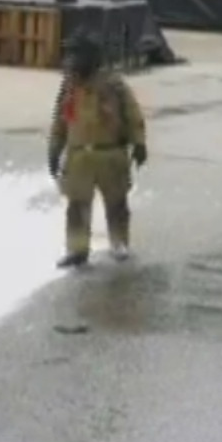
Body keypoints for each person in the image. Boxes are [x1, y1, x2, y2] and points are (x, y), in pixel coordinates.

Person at [47, 32, 148, 269]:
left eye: (76, 54)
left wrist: (139, 143)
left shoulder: (113, 85)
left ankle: (119, 242)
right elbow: (60, 121)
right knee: (77, 206)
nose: (70, 60)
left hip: (110, 153)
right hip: (79, 154)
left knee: (116, 203)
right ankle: (77, 250)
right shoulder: (69, 87)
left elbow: (133, 114)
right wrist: (54, 148)